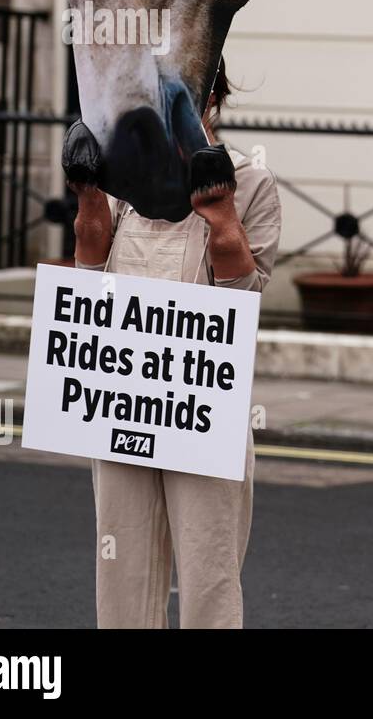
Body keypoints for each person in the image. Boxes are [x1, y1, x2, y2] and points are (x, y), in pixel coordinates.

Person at [66, 61, 281, 628]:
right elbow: (90, 278)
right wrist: (88, 195)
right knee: (123, 570)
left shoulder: (251, 179)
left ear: (211, 96)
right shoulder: (122, 179)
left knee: (209, 572)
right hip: (123, 402)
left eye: (183, 91)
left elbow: (241, 300)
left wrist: (222, 215)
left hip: (204, 410)